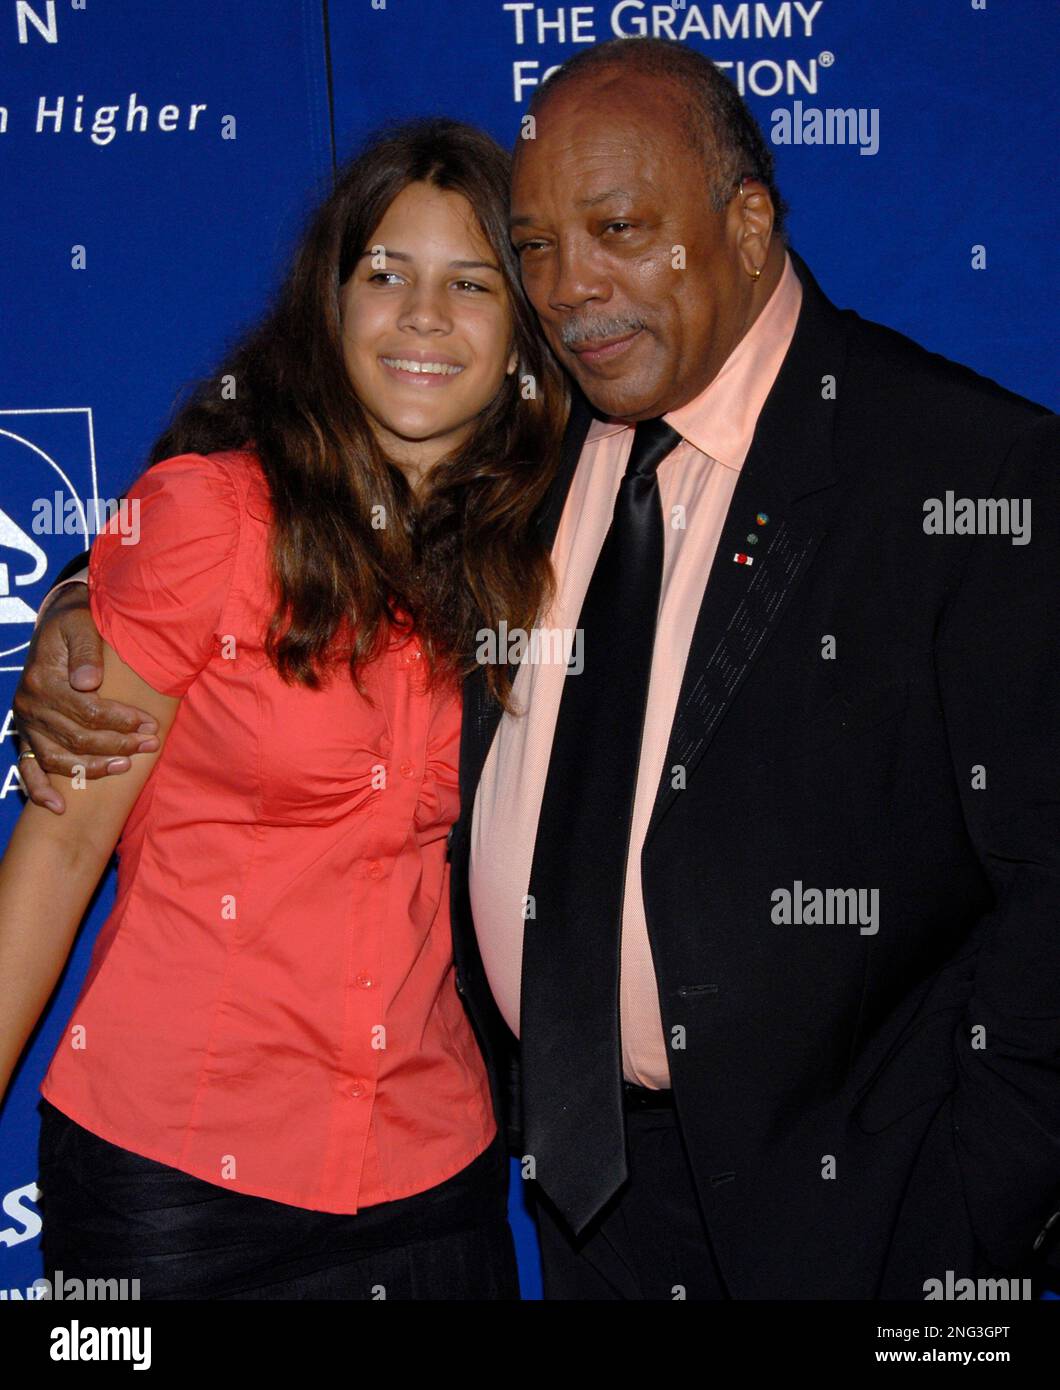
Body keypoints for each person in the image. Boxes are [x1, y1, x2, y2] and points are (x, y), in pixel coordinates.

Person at [16, 39, 1060, 1302]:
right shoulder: (536, 463)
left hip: (849, 1219)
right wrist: (84, 601)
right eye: (542, 248)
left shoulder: (960, 467)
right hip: (565, 1204)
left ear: (743, 223)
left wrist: (978, 1212)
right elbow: (228, 520)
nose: (572, 288)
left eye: (616, 228)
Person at [1, 116, 566, 1300]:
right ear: (330, 304)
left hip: (433, 1172)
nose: (423, 315)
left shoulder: (542, 547)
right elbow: (56, 858)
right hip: (170, 1181)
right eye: (386, 276)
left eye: (470, 283)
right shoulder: (209, 517)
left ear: (521, 326)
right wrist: (74, 609)